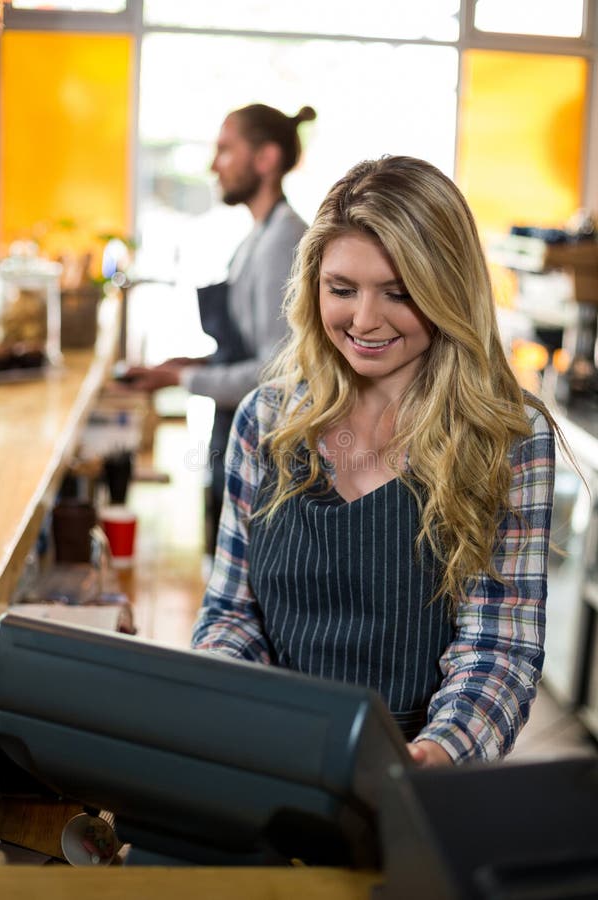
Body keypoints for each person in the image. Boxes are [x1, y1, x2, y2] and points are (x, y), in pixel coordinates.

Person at [191, 155, 559, 768]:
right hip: (265, 758)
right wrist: (222, 700)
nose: (364, 320)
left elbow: (497, 647)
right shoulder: (267, 420)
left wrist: (437, 753)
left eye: (398, 293)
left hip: (413, 779)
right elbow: (233, 612)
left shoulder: (509, 438)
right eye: (342, 290)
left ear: (448, 292)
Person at [126, 103, 316, 552]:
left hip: (272, 448)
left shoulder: (282, 241)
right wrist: (187, 363)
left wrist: (180, 378)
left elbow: (278, 373)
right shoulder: (258, 236)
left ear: (265, 159)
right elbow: (252, 347)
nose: (214, 165)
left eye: (226, 150)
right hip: (243, 428)